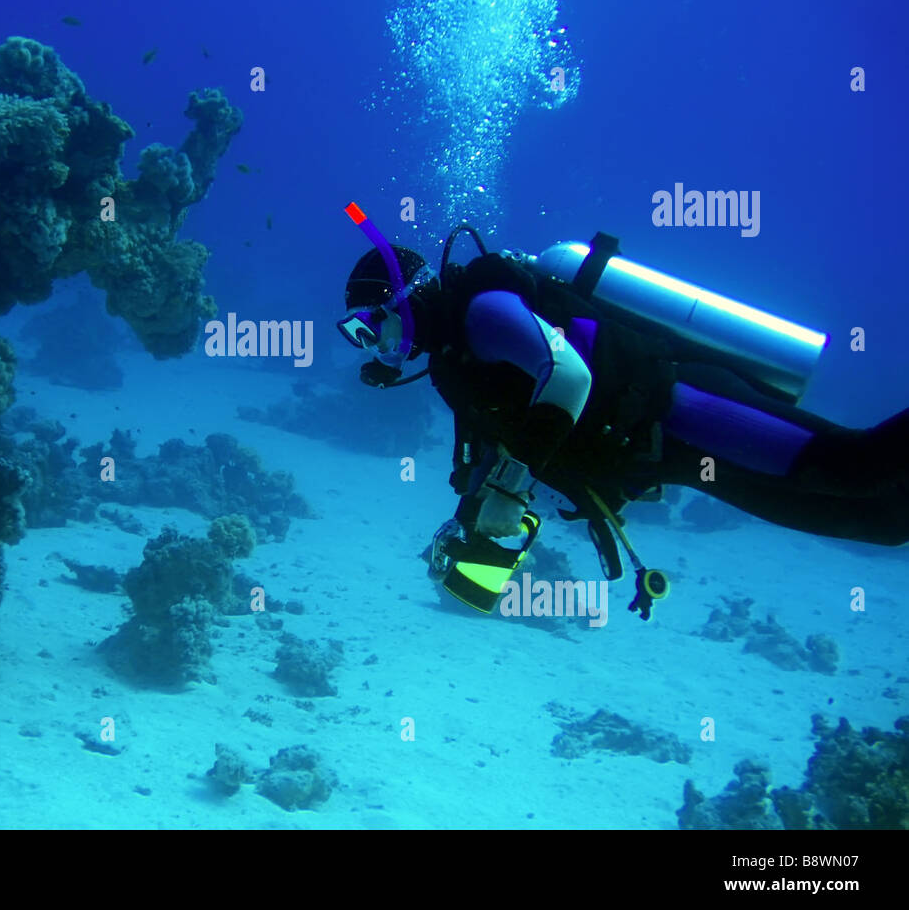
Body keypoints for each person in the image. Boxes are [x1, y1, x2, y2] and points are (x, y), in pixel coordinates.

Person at [337, 208, 909, 618]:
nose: (374, 347)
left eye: (371, 326)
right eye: (359, 338)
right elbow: (502, 443)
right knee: (882, 524)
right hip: (669, 458)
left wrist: (509, 493)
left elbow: (567, 375)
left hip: (685, 407)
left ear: (405, 297)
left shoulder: (482, 312)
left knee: (860, 466)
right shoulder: (452, 364)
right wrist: (469, 520)